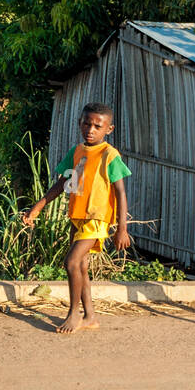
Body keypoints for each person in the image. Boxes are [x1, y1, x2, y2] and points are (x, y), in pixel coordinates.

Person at [22, 102, 132, 333]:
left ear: (108, 130)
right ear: (79, 123)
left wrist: (122, 229)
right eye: (86, 123)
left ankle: (73, 313)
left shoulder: (109, 155)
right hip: (77, 216)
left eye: (97, 126)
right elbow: (63, 183)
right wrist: (38, 206)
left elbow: (120, 192)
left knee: (70, 262)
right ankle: (90, 316)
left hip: (96, 219)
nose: (90, 130)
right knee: (80, 266)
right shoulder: (77, 152)